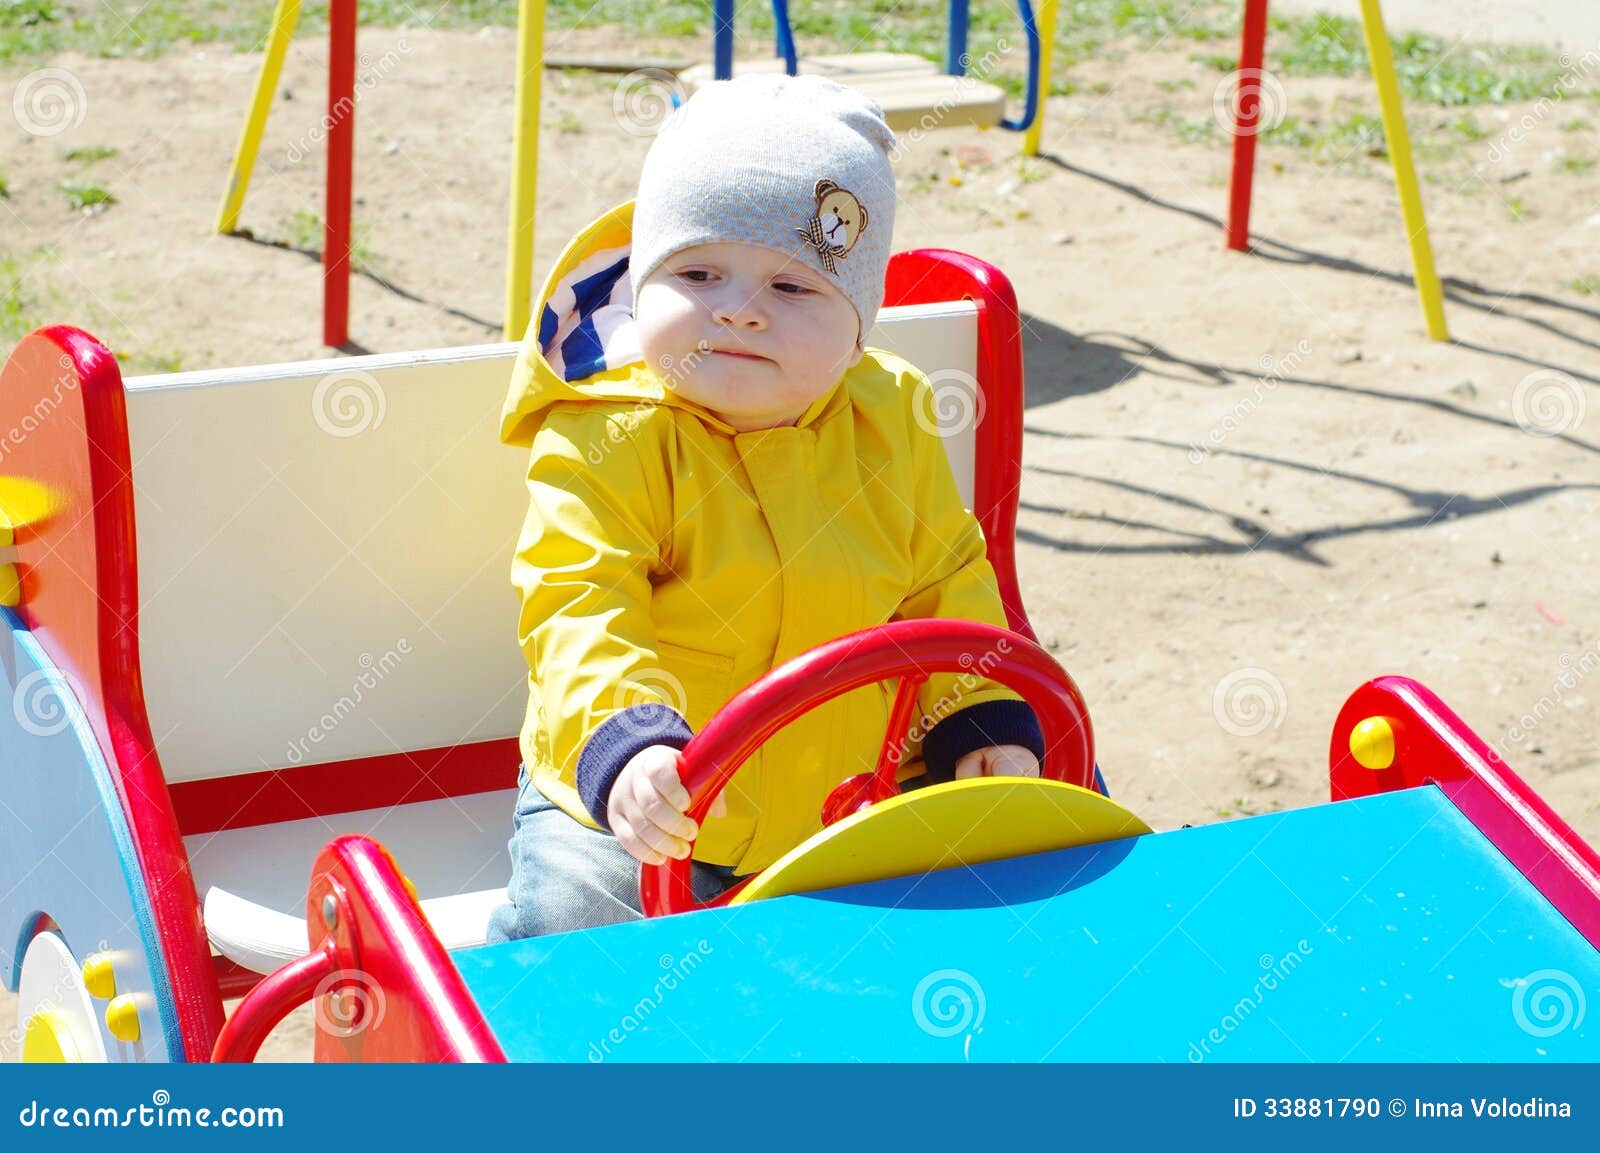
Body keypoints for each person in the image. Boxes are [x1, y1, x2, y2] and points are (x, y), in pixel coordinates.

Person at [487, 73, 1044, 943]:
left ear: (858, 321)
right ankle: (535, 1064)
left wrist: (973, 713)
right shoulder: (607, 431)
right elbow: (577, 598)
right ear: (643, 282)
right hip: (655, 797)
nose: (739, 312)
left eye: (793, 290)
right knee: (576, 916)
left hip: (861, 791)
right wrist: (628, 741)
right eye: (699, 272)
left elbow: (944, 576)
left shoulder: (886, 410)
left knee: (1041, 843)